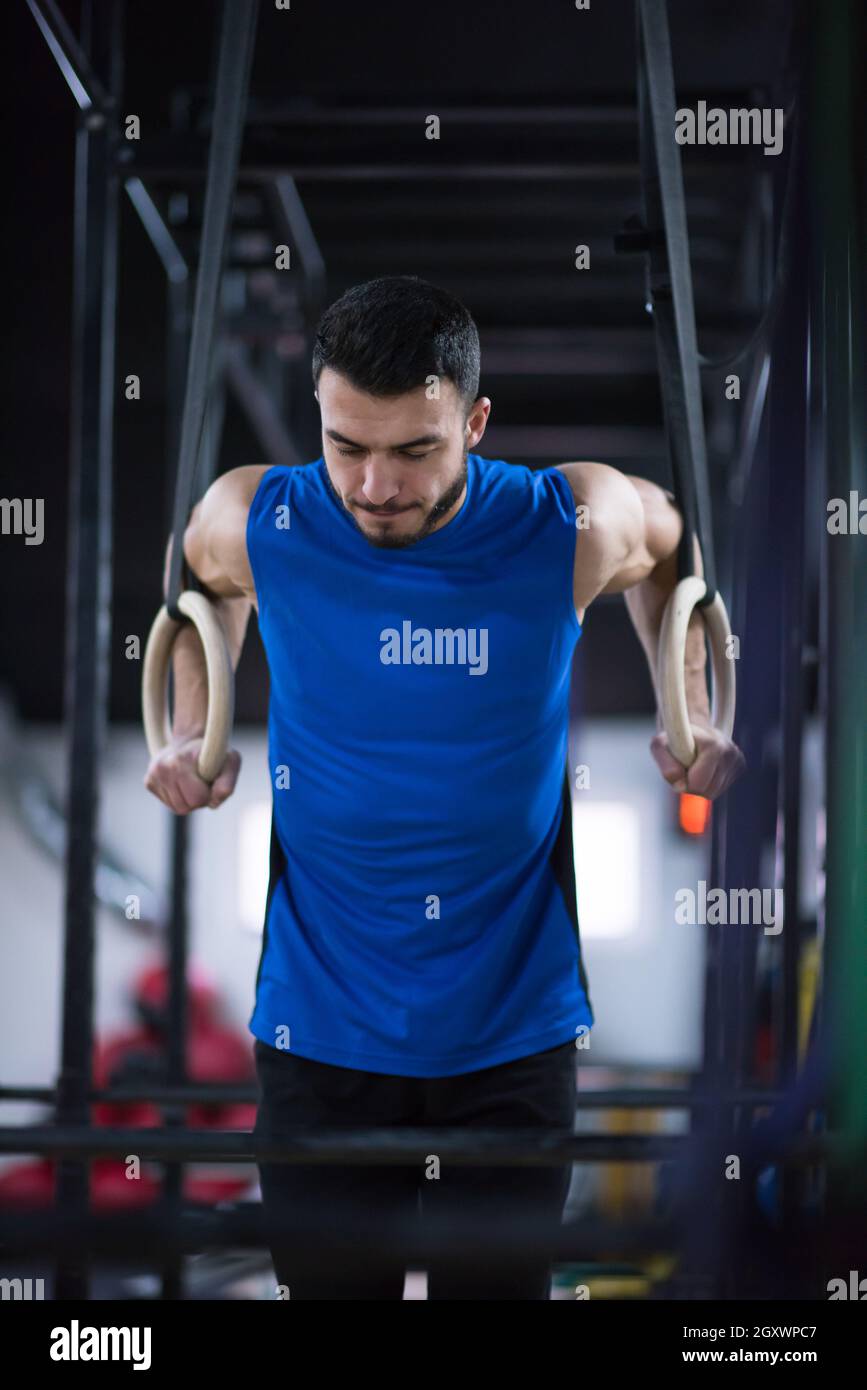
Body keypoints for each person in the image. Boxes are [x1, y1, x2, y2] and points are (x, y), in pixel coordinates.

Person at [144, 275, 745, 1299]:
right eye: (347, 445)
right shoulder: (263, 520)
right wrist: (193, 728)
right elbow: (196, 578)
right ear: (319, 420)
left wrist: (689, 708)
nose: (375, 484)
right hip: (318, 1035)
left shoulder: (567, 523)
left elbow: (671, 548)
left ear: (473, 421)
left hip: (512, 1039)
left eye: (415, 450)